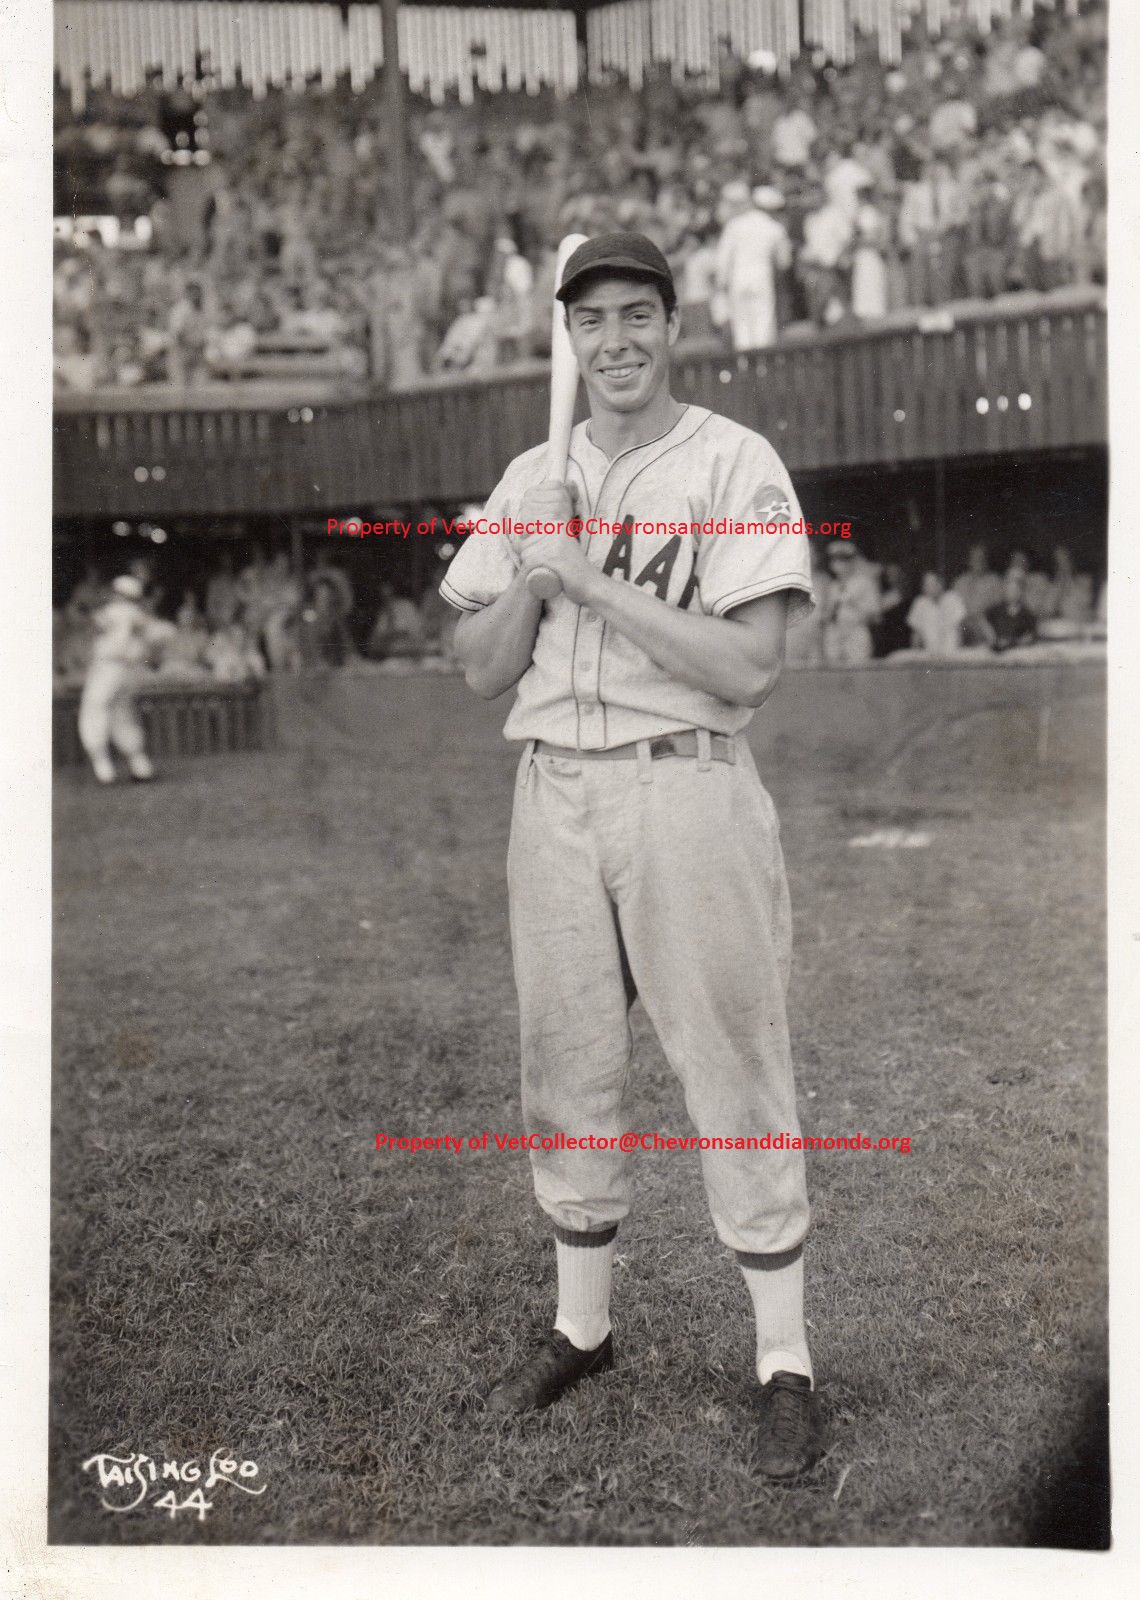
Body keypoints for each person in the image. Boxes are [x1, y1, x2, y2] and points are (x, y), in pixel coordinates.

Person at [441, 232, 824, 1479]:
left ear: (673, 326)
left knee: (733, 1063)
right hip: (551, 789)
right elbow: (477, 666)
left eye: (636, 315)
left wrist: (593, 583)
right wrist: (533, 576)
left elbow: (751, 665)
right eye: (591, 319)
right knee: (565, 1063)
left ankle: (784, 1359)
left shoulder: (733, 462)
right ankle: (582, 1328)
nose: (614, 340)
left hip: (686, 784)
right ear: (569, 336)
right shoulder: (528, 477)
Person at [77, 575, 168, 783]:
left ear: (119, 594)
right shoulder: (141, 616)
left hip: (109, 667)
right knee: (123, 714)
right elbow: (160, 636)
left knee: (94, 709)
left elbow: (92, 621)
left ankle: (104, 768)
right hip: (129, 671)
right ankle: (140, 766)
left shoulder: (112, 611)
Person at [714, 182, 791, 351]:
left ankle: (745, 365)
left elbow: (723, 259)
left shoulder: (735, 224)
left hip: (738, 279)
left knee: (742, 329)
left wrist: (722, 284)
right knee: (764, 327)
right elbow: (784, 263)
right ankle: (763, 365)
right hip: (762, 277)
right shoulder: (775, 227)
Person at [822, 542, 880, 665]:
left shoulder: (865, 582)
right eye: (836, 560)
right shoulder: (833, 586)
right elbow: (828, 613)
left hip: (856, 630)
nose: (839, 564)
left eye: (844, 560)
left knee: (858, 667)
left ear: (852, 561)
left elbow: (875, 614)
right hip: (835, 632)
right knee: (834, 668)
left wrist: (853, 603)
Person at [906, 571, 966, 655]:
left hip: (952, 653)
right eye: (926, 585)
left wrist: (957, 654)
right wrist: (915, 654)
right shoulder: (920, 603)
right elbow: (916, 634)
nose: (928, 588)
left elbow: (960, 629)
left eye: (932, 584)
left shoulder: (953, 598)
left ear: (940, 584)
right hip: (929, 654)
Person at [981, 569, 1038, 652]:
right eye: (1009, 589)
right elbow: (984, 624)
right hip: (996, 652)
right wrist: (992, 637)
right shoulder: (994, 610)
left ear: (1021, 591)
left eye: (1016, 590)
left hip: (1017, 652)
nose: (1012, 593)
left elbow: (1030, 637)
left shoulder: (1028, 614)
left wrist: (1014, 643)